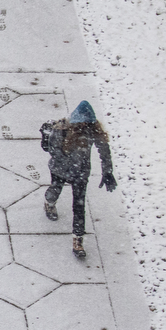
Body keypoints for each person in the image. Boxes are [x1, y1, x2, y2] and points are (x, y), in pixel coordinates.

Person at [39, 101, 116, 258]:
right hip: (60, 170)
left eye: (88, 123)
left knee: (79, 207)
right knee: (55, 190)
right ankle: (49, 203)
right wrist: (69, 167)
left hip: (81, 173)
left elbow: (104, 150)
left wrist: (107, 171)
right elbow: (54, 152)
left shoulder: (92, 130)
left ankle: (78, 240)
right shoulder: (61, 129)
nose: (84, 126)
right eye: (82, 123)